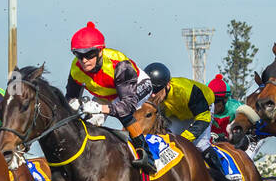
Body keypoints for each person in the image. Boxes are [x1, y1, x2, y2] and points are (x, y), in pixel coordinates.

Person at [64, 21, 154, 171]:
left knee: (123, 113)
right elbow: (71, 96)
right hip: (107, 94)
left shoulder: (119, 64)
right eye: (79, 55)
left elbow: (127, 105)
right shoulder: (76, 68)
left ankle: (146, 155)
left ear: (100, 52)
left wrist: (100, 107)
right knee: (87, 121)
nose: (84, 60)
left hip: (135, 87)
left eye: (89, 54)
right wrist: (72, 103)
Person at [141, 63, 219, 172]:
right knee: (166, 141)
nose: (152, 95)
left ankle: (223, 179)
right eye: (150, 89)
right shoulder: (152, 94)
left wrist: (183, 139)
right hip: (176, 112)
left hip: (202, 110)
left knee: (201, 145)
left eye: (156, 90)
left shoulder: (186, 92)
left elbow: (203, 119)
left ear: (167, 85)